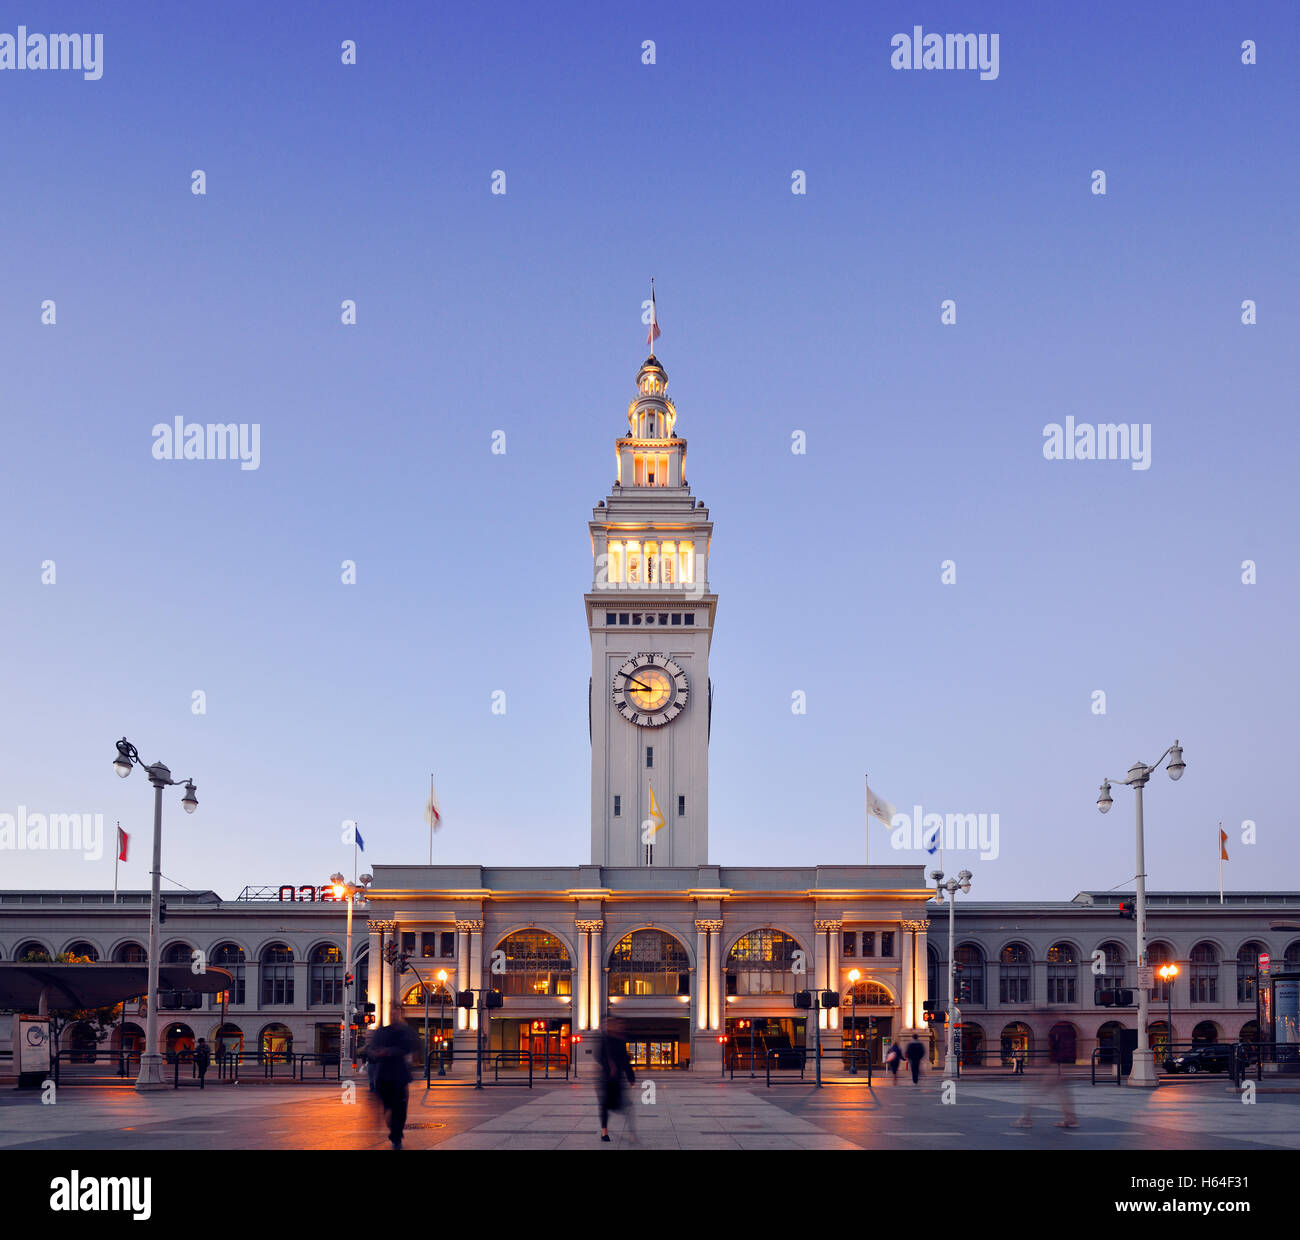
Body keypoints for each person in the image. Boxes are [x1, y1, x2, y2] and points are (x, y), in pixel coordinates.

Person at [368, 1008, 422, 1148]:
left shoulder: (406, 1032)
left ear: (401, 1015)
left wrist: (389, 1051)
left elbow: (415, 1045)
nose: (393, 1015)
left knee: (400, 1109)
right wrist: (376, 1053)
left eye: (396, 1012)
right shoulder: (381, 1032)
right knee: (389, 1109)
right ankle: (395, 1132)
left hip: (399, 1077)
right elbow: (371, 1049)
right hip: (383, 1077)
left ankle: (396, 1137)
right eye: (391, 1012)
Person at [1012, 1027, 1077, 1128]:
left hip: (1057, 1066)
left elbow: (1056, 1050)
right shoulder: (1058, 1027)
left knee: (1036, 1090)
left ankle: (1027, 1119)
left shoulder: (1057, 1028)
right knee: (1061, 1092)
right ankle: (1071, 1119)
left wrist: (1044, 1066)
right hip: (1059, 1065)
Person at [597, 1019, 636, 1143]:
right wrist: (609, 1068)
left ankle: (631, 1132)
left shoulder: (620, 1040)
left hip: (618, 1078)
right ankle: (604, 1131)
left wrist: (631, 1076)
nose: (618, 1026)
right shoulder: (604, 1040)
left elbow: (625, 1060)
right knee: (605, 1106)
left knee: (627, 1105)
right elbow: (600, 1057)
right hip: (606, 1079)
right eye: (615, 1024)